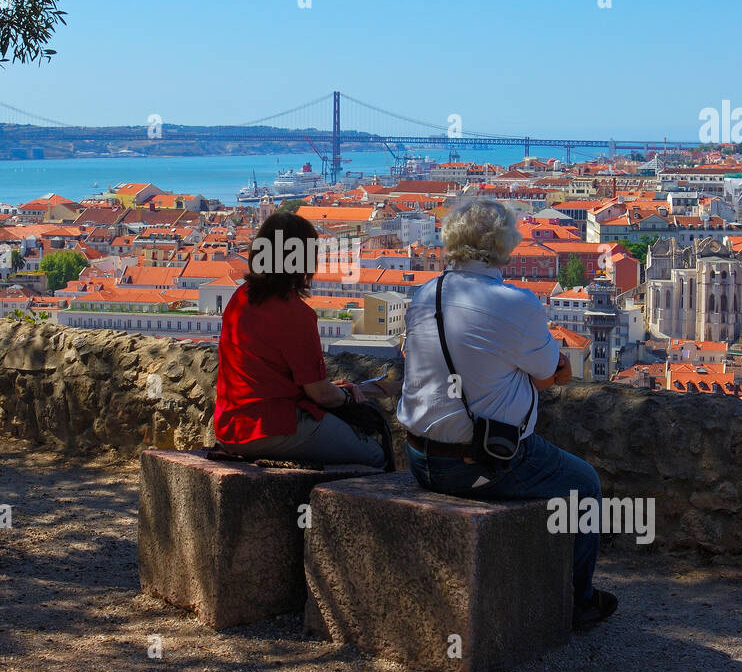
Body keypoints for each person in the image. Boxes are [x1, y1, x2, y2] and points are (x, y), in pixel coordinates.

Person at [397, 198, 617, 629]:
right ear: (505, 246)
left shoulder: (424, 294)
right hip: (485, 463)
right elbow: (553, 374)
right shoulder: (516, 303)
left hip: (420, 459)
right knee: (585, 484)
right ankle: (580, 601)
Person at [214, 211, 395, 468]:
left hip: (230, 426)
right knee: (374, 455)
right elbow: (320, 394)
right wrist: (346, 397)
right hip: (270, 427)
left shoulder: (240, 297)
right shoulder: (295, 314)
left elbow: (273, 376)